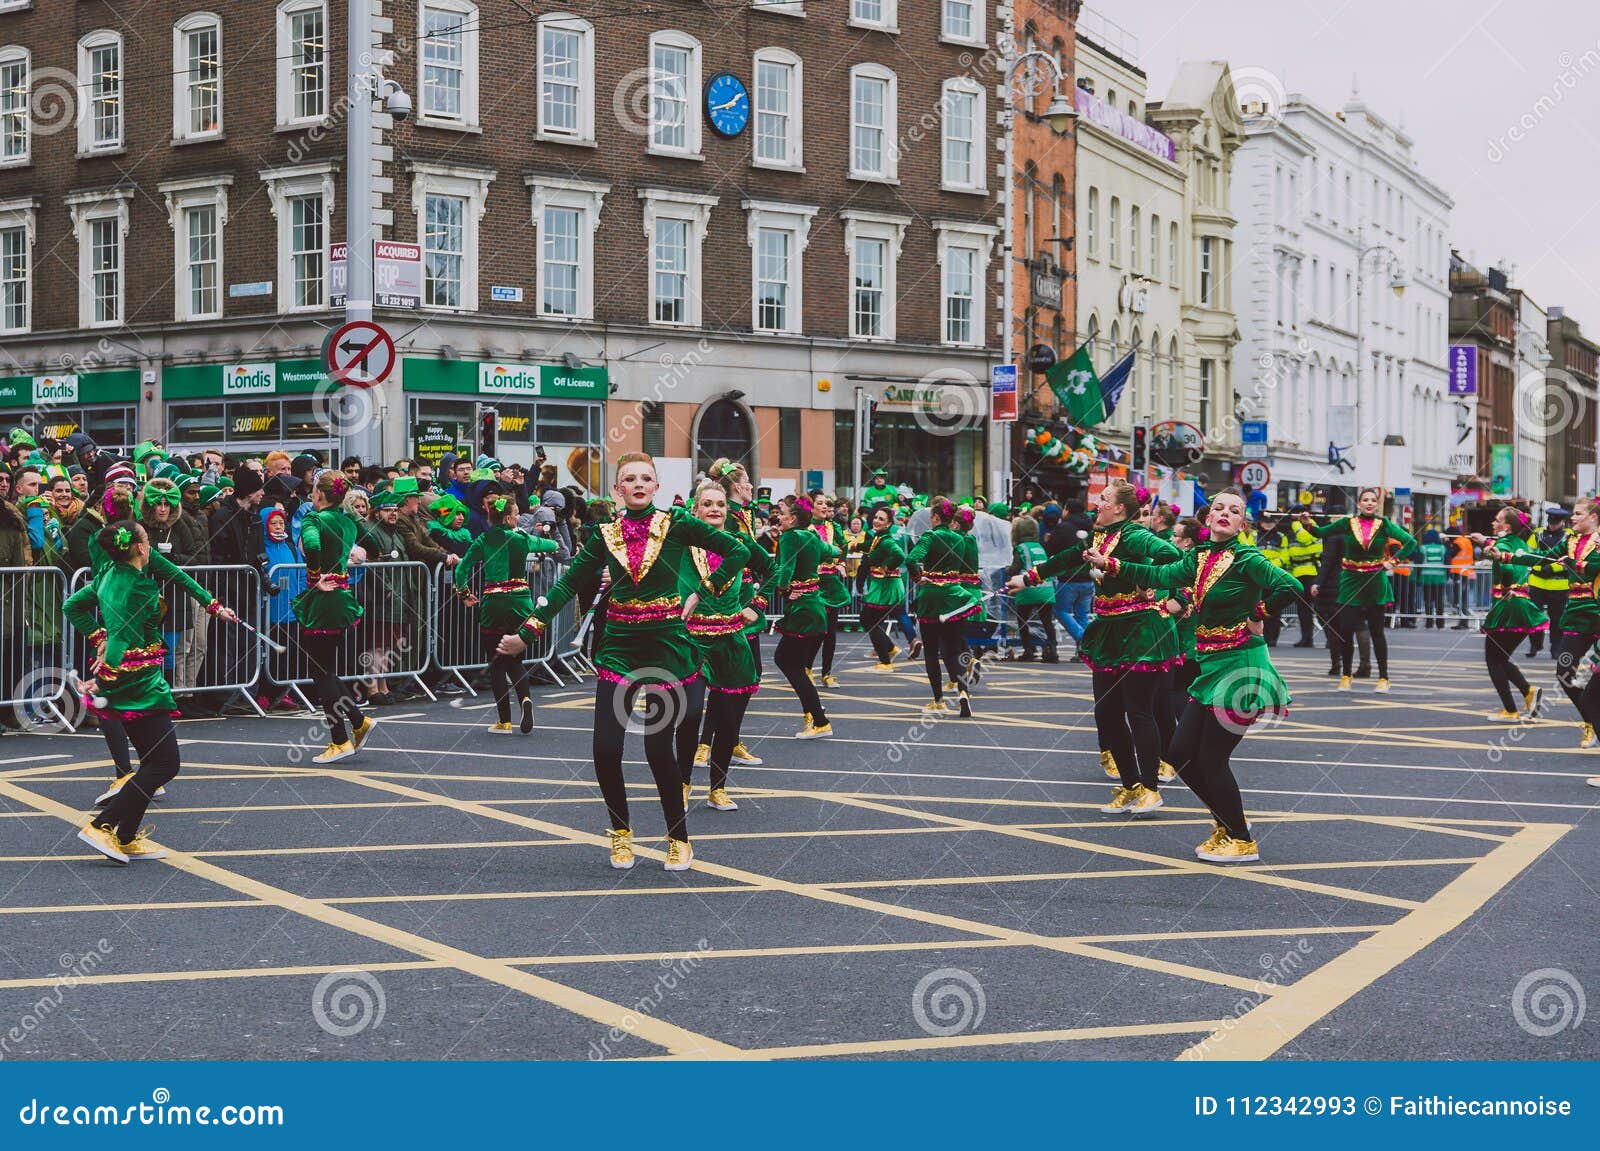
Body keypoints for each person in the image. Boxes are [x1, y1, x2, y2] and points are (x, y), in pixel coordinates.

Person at [497, 453, 750, 872]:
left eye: (645, 478)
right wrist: (527, 633)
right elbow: (567, 584)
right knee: (606, 748)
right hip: (619, 647)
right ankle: (620, 834)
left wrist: (703, 592)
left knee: (656, 750)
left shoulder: (676, 524)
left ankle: (678, 837)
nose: (637, 484)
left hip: (665, 647)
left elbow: (736, 552)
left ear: (655, 486)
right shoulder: (604, 534)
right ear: (617, 489)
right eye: (628, 478)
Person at [1086, 489, 1300, 862]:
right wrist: (1112, 565)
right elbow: (1160, 572)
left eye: (1233, 511)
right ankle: (1225, 824)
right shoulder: (1200, 557)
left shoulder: (1247, 558)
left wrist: (1259, 612)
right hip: (1211, 666)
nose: (1224, 513)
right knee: (1182, 753)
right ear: (1207, 517)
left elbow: (1290, 585)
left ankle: (1241, 837)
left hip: (1242, 668)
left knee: (1213, 759)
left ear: (1241, 524)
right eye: (1218, 507)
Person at [65, 522, 235, 863]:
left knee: (153, 763)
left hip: (133, 680)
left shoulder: (108, 573)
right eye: (147, 538)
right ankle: (102, 825)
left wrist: (212, 605)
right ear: (141, 547)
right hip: (138, 683)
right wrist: (105, 677)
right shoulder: (138, 588)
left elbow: (72, 607)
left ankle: (125, 836)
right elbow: (120, 636)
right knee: (165, 764)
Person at [1008, 479, 1181, 812]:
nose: (1096, 503)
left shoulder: (1134, 534)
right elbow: (1064, 559)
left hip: (1139, 630)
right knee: (1107, 713)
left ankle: (1150, 788)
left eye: (1103, 499)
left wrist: (1139, 578)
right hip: (1109, 631)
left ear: (1119, 508)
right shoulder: (1099, 536)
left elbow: (1171, 555)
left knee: (1138, 710)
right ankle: (1130, 785)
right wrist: (1026, 579)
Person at [677, 481, 768, 811]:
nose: (714, 509)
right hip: (692, 642)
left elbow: (774, 570)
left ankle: (717, 788)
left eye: (719, 504)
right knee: (688, 714)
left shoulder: (740, 542)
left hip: (731, 641)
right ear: (696, 509)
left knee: (729, 722)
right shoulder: (682, 543)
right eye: (707, 504)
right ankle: (683, 784)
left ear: (727, 510)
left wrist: (755, 605)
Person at [1490, 497, 1600, 745]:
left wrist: (1577, 565)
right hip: (1577, 618)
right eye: (1573, 513)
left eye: (1578, 514)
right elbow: (1541, 558)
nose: (1573, 518)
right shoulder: (1570, 541)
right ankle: (1589, 721)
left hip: (1598, 612)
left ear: (1593, 517)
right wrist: (1506, 556)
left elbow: (1595, 566)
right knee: (1564, 672)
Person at [455, 493, 559, 733]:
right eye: (516, 515)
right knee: (515, 658)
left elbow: (462, 569)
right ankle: (525, 700)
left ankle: (504, 720)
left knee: (497, 663)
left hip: (494, 602)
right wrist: (545, 533)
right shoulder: (523, 538)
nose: (518, 518)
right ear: (510, 519)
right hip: (521, 601)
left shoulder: (484, 539)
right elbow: (552, 546)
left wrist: (464, 593)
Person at [1298, 487, 1416, 692]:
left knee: (1377, 632)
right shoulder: (1347, 523)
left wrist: (1393, 562)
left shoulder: (1384, 524)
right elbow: (1320, 533)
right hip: (1350, 580)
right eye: (1365, 500)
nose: (1369, 503)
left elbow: (1410, 542)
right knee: (1345, 630)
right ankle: (1346, 675)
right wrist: (1307, 523)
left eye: (1373, 500)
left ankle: (1383, 678)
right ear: (1359, 503)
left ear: (1376, 504)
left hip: (1375, 582)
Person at [692, 459, 768, 769]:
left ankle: (727, 739)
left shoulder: (743, 518)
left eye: (718, 504)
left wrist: (758, 603)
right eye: (748, 482)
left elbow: (767, 565)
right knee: (711, 684)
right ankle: (706, 742)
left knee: (745, 676)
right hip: (713, 610)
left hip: (739, 603)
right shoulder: (731, 520)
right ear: (737, 486)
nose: (752, 487)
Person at [295, 472, 374, 763]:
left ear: (320, 494)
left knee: (321, 672)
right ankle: (358, 721)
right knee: (326, 669)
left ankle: (340, 740)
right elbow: (372, 543)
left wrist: (315, 576)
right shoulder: (348, 520)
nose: (312, 493)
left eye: (315, 489)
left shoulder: (313, 519)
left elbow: (312, 546)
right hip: (342, 596)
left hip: (324, 600)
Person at [1469, 509, 1549, 722]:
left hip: (1507, 606)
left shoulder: (1502, 545)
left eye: (1497, 520)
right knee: (1501, 657)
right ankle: (1527, 692)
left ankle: (1511, 710)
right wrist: (1485, 541)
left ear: (1507, 526)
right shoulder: (1522, 545)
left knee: (1492, 659)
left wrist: (1505, 585)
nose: (1493, 522)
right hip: (1523, 605)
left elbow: (1503, 564)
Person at [769, 494, 837, 738]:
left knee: (788, 662)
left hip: (803, 610)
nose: (779, 518)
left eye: (783, 515)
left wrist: (784, 589)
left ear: (794, 519)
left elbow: (785, 568)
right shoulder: (811, 536)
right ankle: (816, 716)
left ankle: (819, 720)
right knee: (792, 663)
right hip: (815, 606)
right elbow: (833, 550)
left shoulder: (790, 537)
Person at [908, 497, 983, 717]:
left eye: (931, 516)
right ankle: (963, 692)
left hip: (931, 597)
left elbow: (912, 559)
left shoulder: (931, 536)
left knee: (931, 652)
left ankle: (938, 700)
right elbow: (958, 569)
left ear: (937, 517)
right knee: (954, 650)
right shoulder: (960, 539)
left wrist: (920, 577)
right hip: (954, 596)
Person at [857, 504, 907, 671]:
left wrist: (889, 568)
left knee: (868, 620)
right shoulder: (878, 537)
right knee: (870, 620)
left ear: (888, 524)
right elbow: (870, 549)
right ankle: (890, 649)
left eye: (881, 519)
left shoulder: (886, 540)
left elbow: (899, 554)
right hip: (881, 585)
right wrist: (854, 546)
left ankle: (886, 661)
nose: (876, 521)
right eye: (876, 517)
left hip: (886, 586)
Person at [1006, 514, 1058, 662]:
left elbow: (1015, 568)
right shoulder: (1040, 546)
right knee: (1047, 622)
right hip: (1046, 588)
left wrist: (1006, 570)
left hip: (1028, 588)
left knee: (1022, 620)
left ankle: (1028, 650)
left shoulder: (1020, 548)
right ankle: (1052, 650)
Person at [811, 493, 850, 687]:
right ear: (811, 507)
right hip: (811, 585)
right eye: (820, 503)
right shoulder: (805, 528)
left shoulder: (834, 527)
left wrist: (842, 563)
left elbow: (844, 546)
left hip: (831, 583)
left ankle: (826, 673)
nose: (825, 507)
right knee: (813, 631)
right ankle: (806, 668)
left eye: (827, 503)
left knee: (830, 632)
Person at [1525, 508, 1571, 658]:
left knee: (1557, 619)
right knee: (1535, 615)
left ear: (1562, 522)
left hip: (1558, 584)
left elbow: (1570, 557)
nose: (1552, 525)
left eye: (1555, 523)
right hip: (1537, 582)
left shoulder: (1569, 536)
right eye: (1550, 522)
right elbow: (1528, 553)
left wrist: (1552, 567)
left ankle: (1555, 647)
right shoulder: (1537, 533)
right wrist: (1539, 567)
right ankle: (1535, 645)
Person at [1414, 528, 1448, 630]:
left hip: (1426, 578)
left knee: (1428, 600)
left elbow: (1418, 563)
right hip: (1440, 578)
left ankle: (1429, 623)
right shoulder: (1443, 548)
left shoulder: (1423, 548)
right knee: (1439, 601)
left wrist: (1418, 577)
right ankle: (1440, 623)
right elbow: (1447, 562)